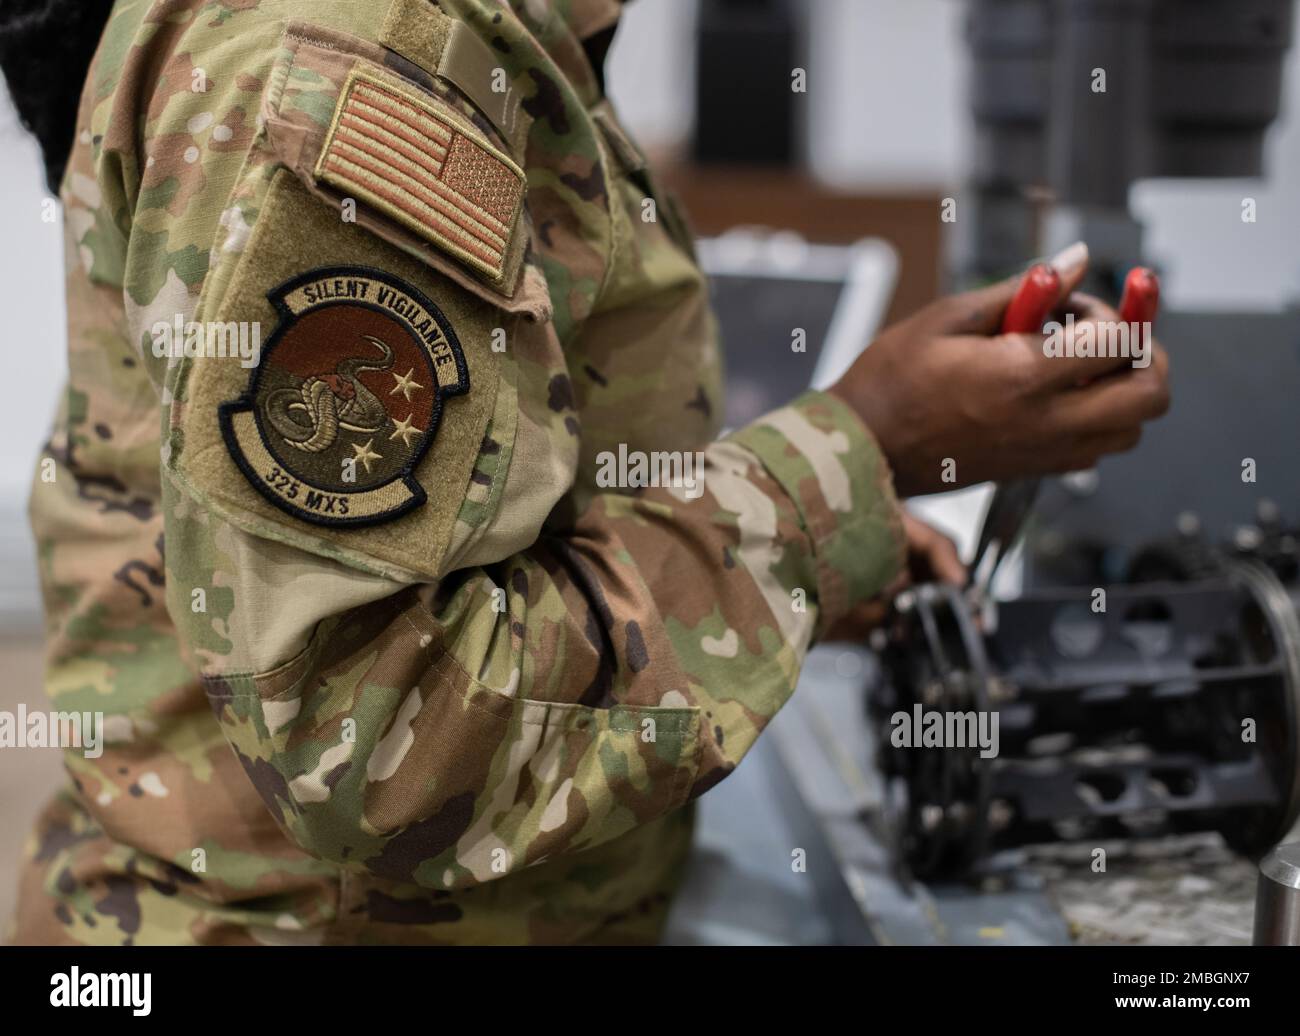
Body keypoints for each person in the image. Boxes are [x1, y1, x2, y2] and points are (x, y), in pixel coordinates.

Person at [1, 0, 1168, 945]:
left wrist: (807, 551)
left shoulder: (500, 36)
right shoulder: (367, 58)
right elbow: (373, 735)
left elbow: (496, 491)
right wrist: (850, 463)